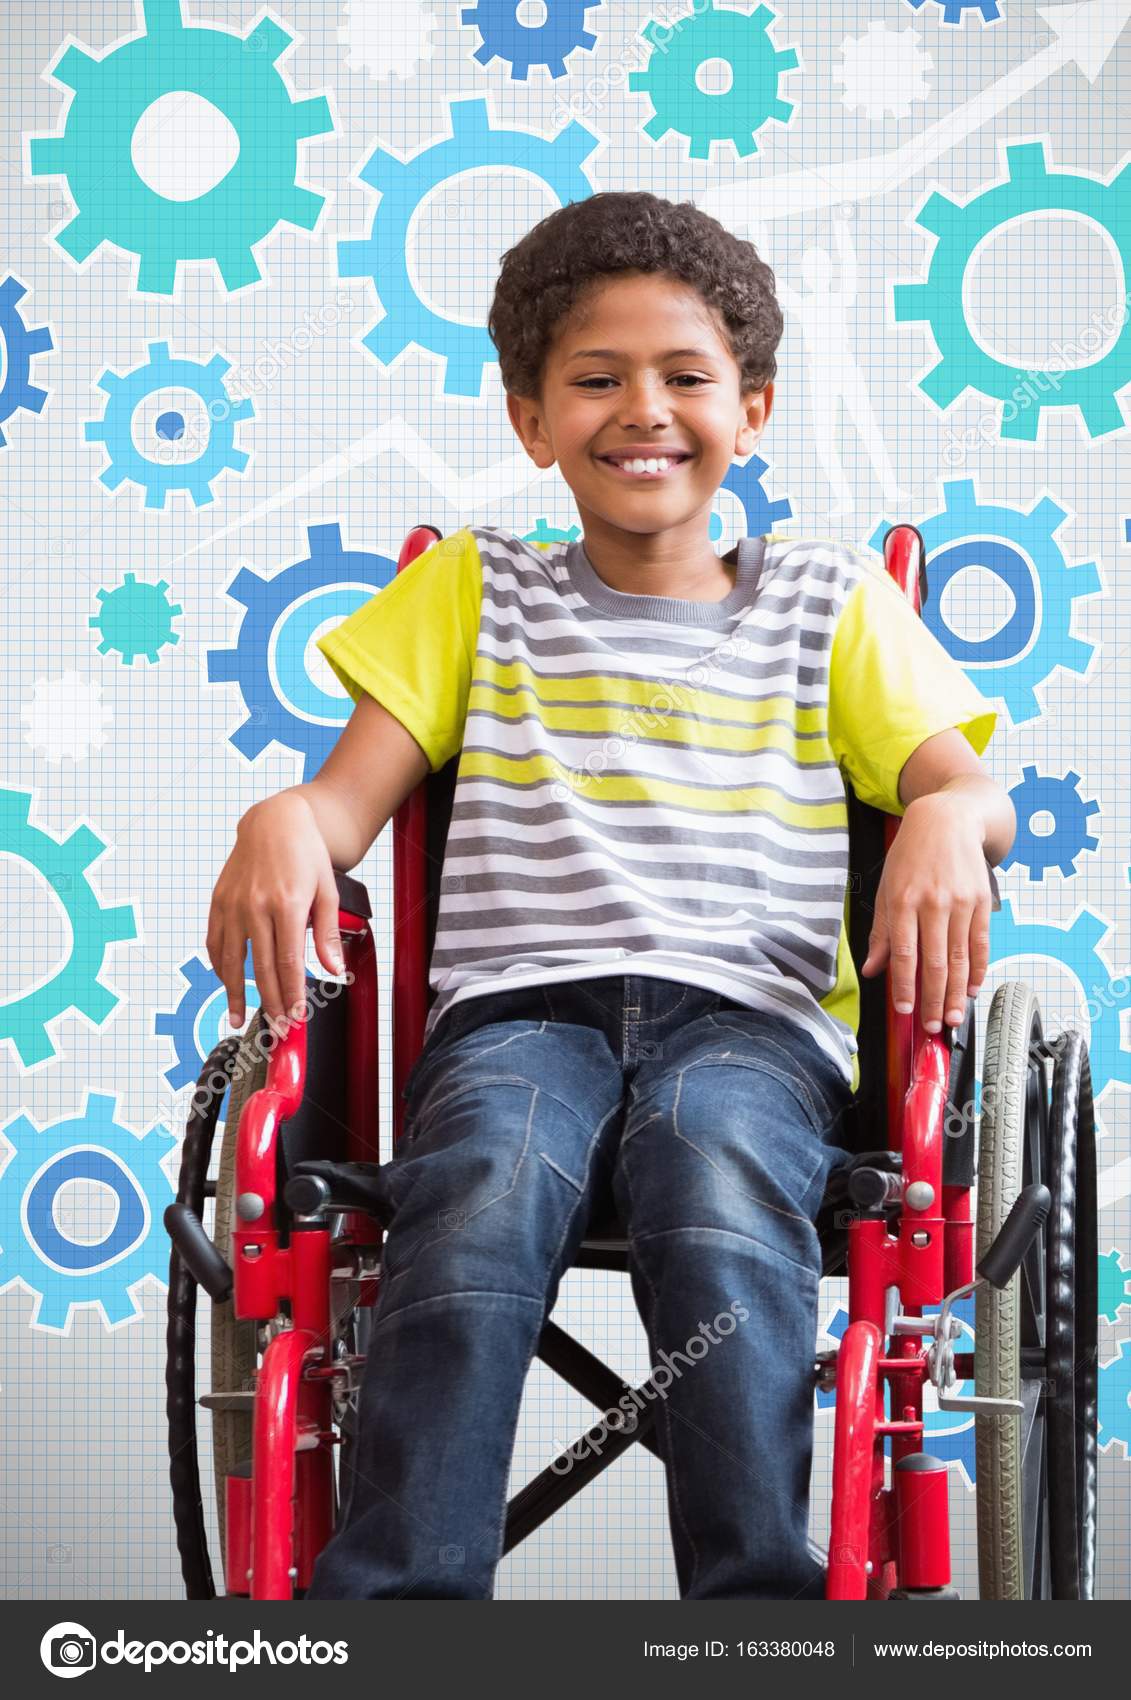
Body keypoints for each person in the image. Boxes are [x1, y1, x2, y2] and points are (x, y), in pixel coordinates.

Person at [206, 191, 1014, 1601]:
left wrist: (949, 808)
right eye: (597, 379)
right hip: (520, 1018)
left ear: (752, 408)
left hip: (751, 1028)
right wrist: (283, 817)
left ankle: (755, 1599)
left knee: (709, 1164)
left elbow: (966, 786)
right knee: (485, 1180)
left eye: (687, 377)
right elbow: (339, 809)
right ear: (532, 419)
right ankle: (402, 1599)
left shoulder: (828, 603)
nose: (645, 410)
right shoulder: (476, 594)